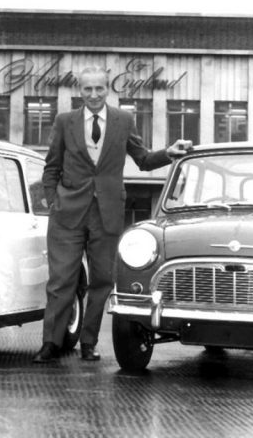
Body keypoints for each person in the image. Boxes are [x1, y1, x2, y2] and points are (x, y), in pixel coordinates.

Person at [33, 66, 192, 363]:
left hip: (106, 213)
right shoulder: (64, 121)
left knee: (103, 280)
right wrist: (54, 202)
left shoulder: (123, 120)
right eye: (87, 90)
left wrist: (168, 153)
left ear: (108, 90)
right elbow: (51, 168)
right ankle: (51, 343)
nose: (93, 95)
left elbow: (143, 160)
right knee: (60, 281)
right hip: (67, 214)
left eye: (99, 89)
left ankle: (89, 343)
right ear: (79, 91)